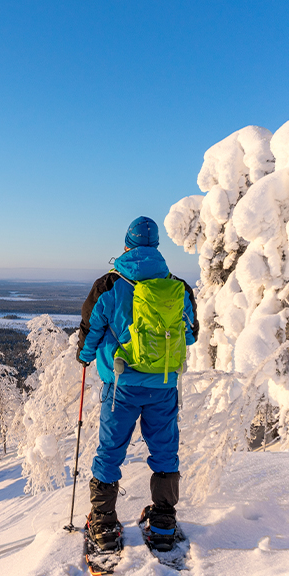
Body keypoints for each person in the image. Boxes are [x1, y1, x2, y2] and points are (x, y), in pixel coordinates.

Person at [76, 216, 198, 553]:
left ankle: (102, 523)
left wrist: (85, 357)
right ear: (156, 246)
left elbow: (91, 328)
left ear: (127, 245)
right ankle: (162, 521)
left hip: (121, 386)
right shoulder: (177, 287)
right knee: (164, 450)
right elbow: (190, 334)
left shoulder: (110, 285)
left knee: (111, 450)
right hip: (163, 384)